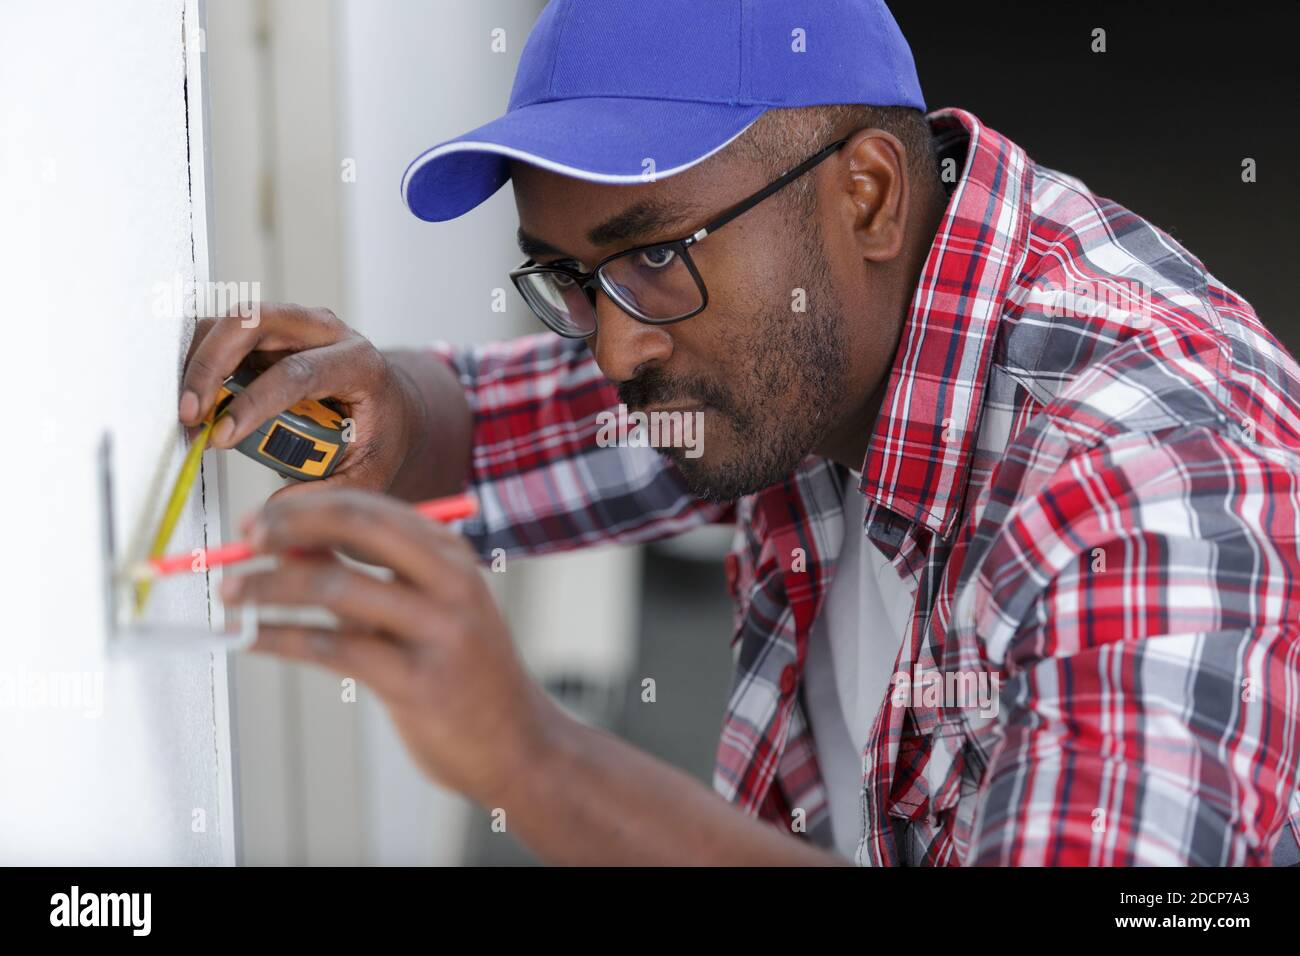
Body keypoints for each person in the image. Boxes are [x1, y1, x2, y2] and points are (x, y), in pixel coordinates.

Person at [181, 0, 1300, 865]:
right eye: (573, 278)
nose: (615, 350)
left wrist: (536, 757)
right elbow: (488, 431)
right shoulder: (801, 335)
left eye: (654, 253)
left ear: (865, 195)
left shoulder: (1154, 488)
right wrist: (384, 411)